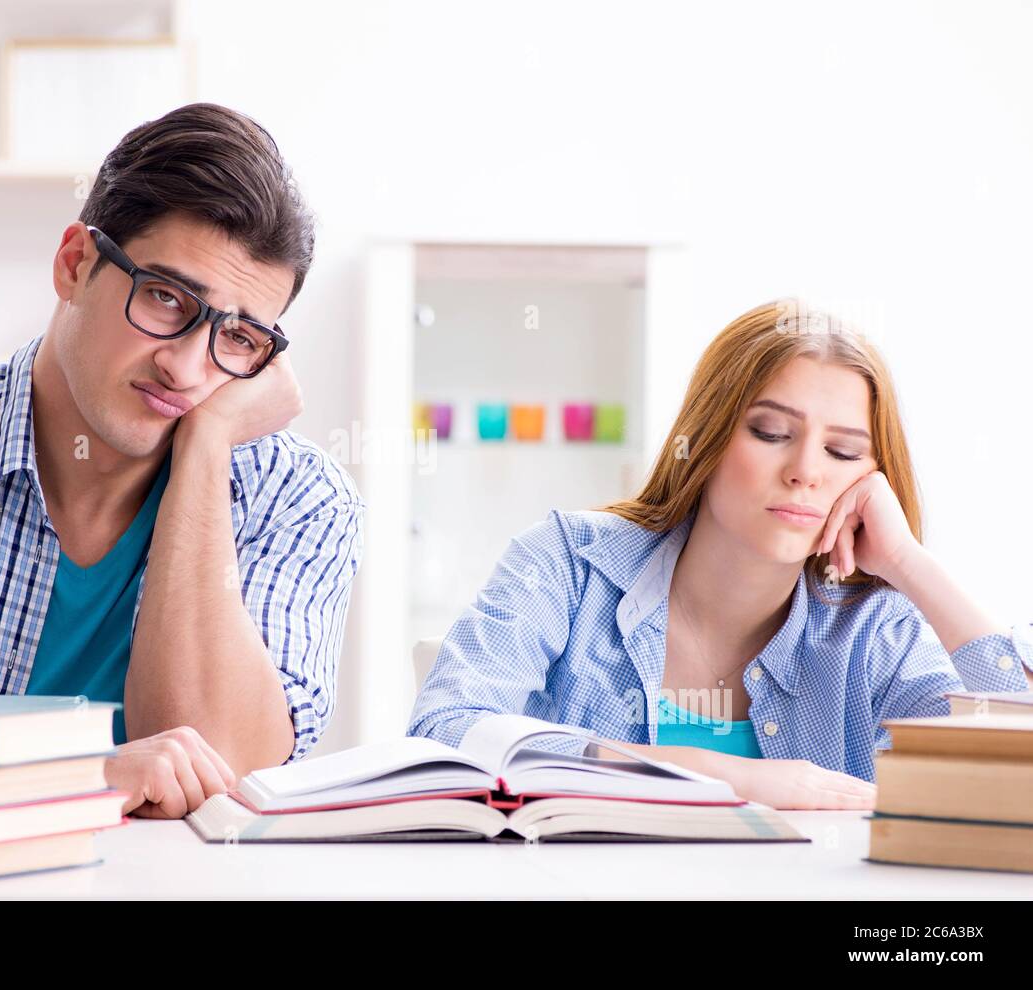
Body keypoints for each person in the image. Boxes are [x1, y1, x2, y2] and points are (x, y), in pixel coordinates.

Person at [0, 104, 364, 819]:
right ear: (75, 264)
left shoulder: (296, 500)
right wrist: (75, 776)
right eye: (165, 298)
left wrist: (207, 449)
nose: (187, 369)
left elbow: (217, 766)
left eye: (240, 339)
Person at [407, 299, 1031, 810]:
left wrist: (909, 563)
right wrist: (713, 775)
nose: (806, 472)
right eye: (771, 433)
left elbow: (1014, 766)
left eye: (843, 452)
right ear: (707, 436)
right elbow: (445, 731)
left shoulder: (874, 632)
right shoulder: (570, 564)